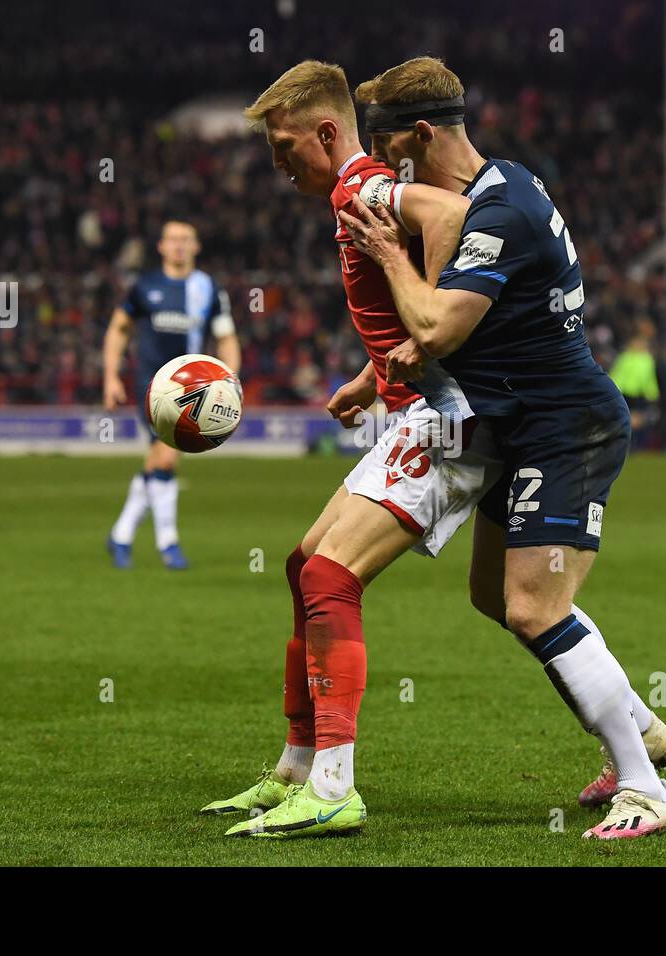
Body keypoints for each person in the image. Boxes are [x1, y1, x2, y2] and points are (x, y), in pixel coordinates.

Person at [339, 57, 666, 840]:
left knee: (533, 606)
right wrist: (369, 377)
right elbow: (453, 324)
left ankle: (644, 787)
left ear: (422, 134)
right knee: (493, 595)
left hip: (565, 428)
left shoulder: (500, 214)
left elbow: (434, 327)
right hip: (521, 423)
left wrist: (388, 253)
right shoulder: (495, 187)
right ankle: (644, 731)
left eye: (388, 142)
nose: (383, 159)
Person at [200, 60, 505, 839]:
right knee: (306, 566)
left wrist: (425, 333)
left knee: (333, 576)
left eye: (284, 146)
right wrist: (376, 373)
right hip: (410, 412)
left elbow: (447, 216)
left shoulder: (358, 186)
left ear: (328, 133)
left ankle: (334, 785)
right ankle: (295, 768)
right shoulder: (357, 192)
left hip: (450, 419)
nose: (278, 164)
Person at [102, 220, 241, 569]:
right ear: (161, 246)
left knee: (157, 460)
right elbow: (118, 330)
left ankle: (120, 535)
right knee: (166, 458)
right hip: (152, 386)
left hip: (194, 388)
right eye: (172, 239)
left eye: (186, 240)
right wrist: (110, 375)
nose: (179, 245)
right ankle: (169, 544)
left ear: (196, 247)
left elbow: (226, 338)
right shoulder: (144, 286)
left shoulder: (208, 289)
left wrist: (231, 382)